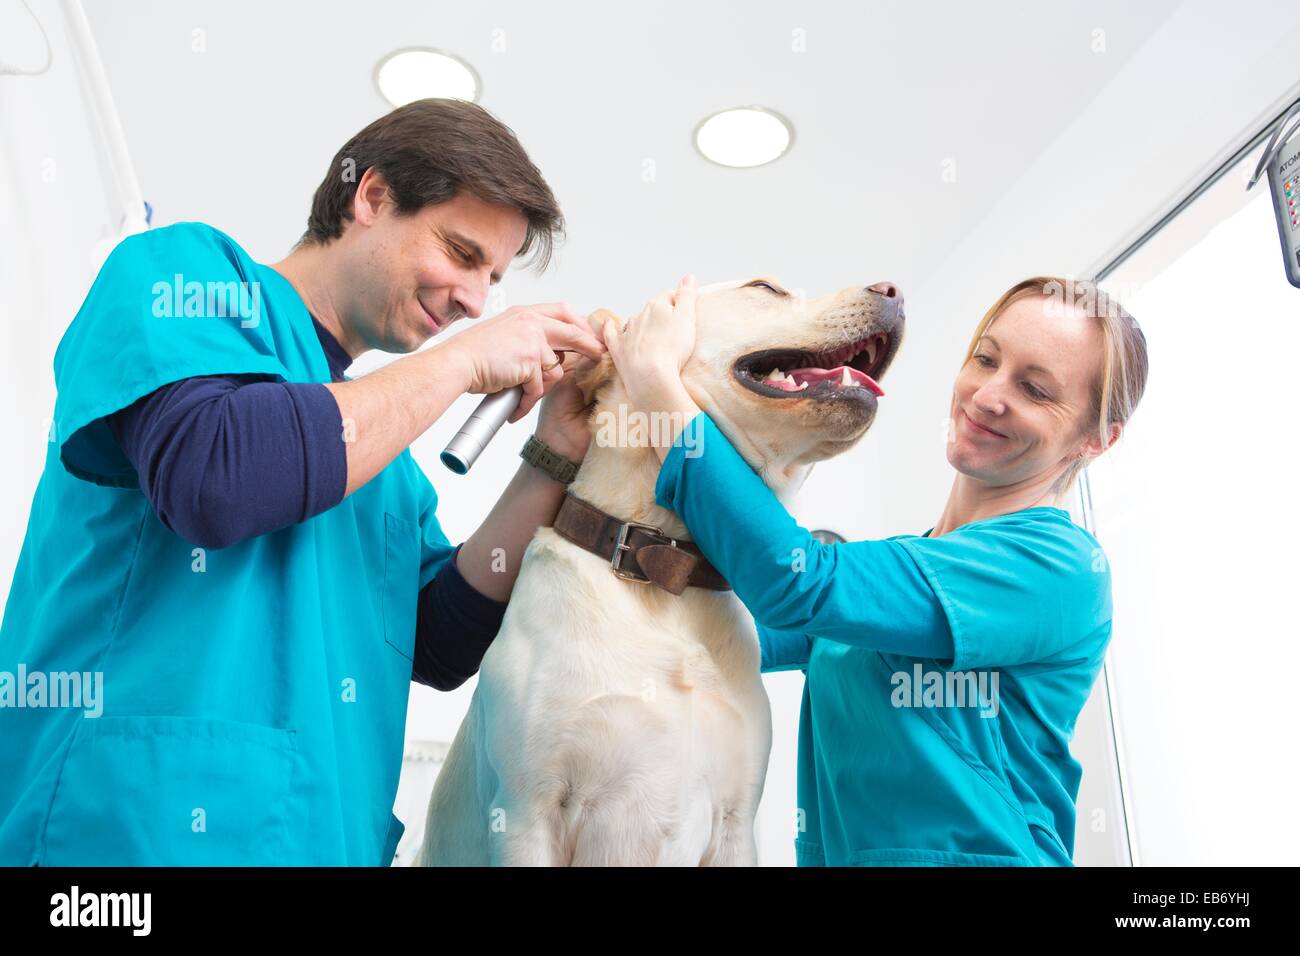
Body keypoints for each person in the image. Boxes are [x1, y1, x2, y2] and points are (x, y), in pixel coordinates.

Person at [0, 98, 606, 866]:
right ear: (372, 196)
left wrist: (551, 455)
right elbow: (216, 476)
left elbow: (440, 641)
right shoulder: (179, 275)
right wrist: (461, 364)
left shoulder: (387, 471)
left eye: (492, 278)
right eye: (460, 253)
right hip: (125, 846)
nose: (474, 302)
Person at [603, 273, 1148, 866]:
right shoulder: (906, 575)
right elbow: (709, 636)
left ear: (1096, 439)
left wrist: (657, 384)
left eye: (1036, 390)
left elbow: (799, 585)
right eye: (985, 359)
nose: (989, 395)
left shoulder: (1057, 567)